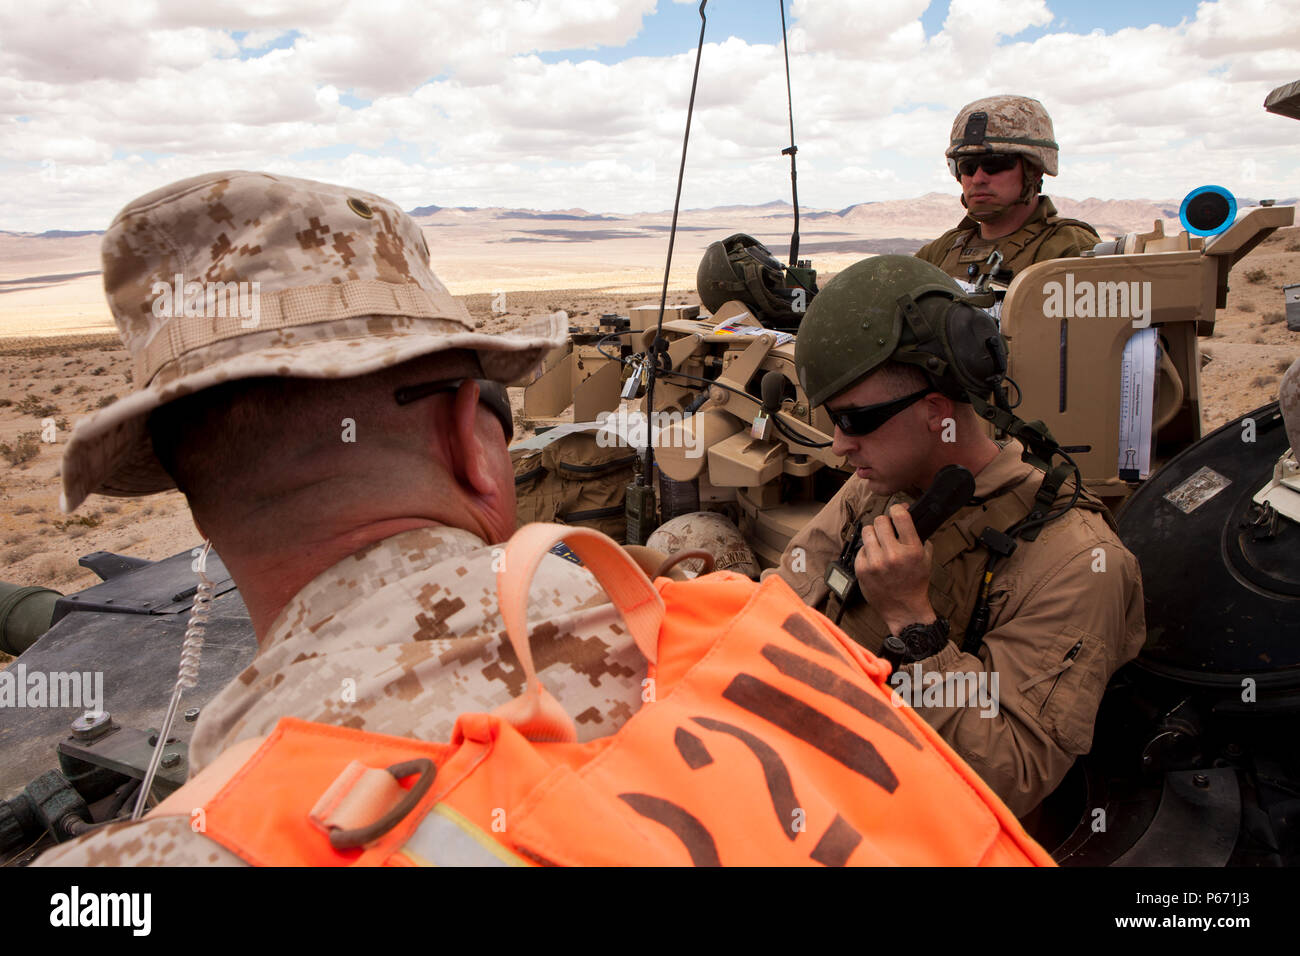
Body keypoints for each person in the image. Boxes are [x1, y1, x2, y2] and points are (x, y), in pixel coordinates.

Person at [36, 174, 1050, 867]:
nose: (842, 448)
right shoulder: (743, 632)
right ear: (472, 445)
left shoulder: (193, 845)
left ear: (191, 490)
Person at [772, 255, 1146, 817]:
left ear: (934, 411)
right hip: (824, 760)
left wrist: (916, 627)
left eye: (853, 421)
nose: (839, 447)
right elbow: (786, 598)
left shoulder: (1078, 563)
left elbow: (1012, 774)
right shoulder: (881, 485)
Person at [915, 95, 1100, 285]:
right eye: (967, 166)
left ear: (1033, 172)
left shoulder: (1071, 250)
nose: (978, 179)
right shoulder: (941, 251)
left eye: (994, 164)